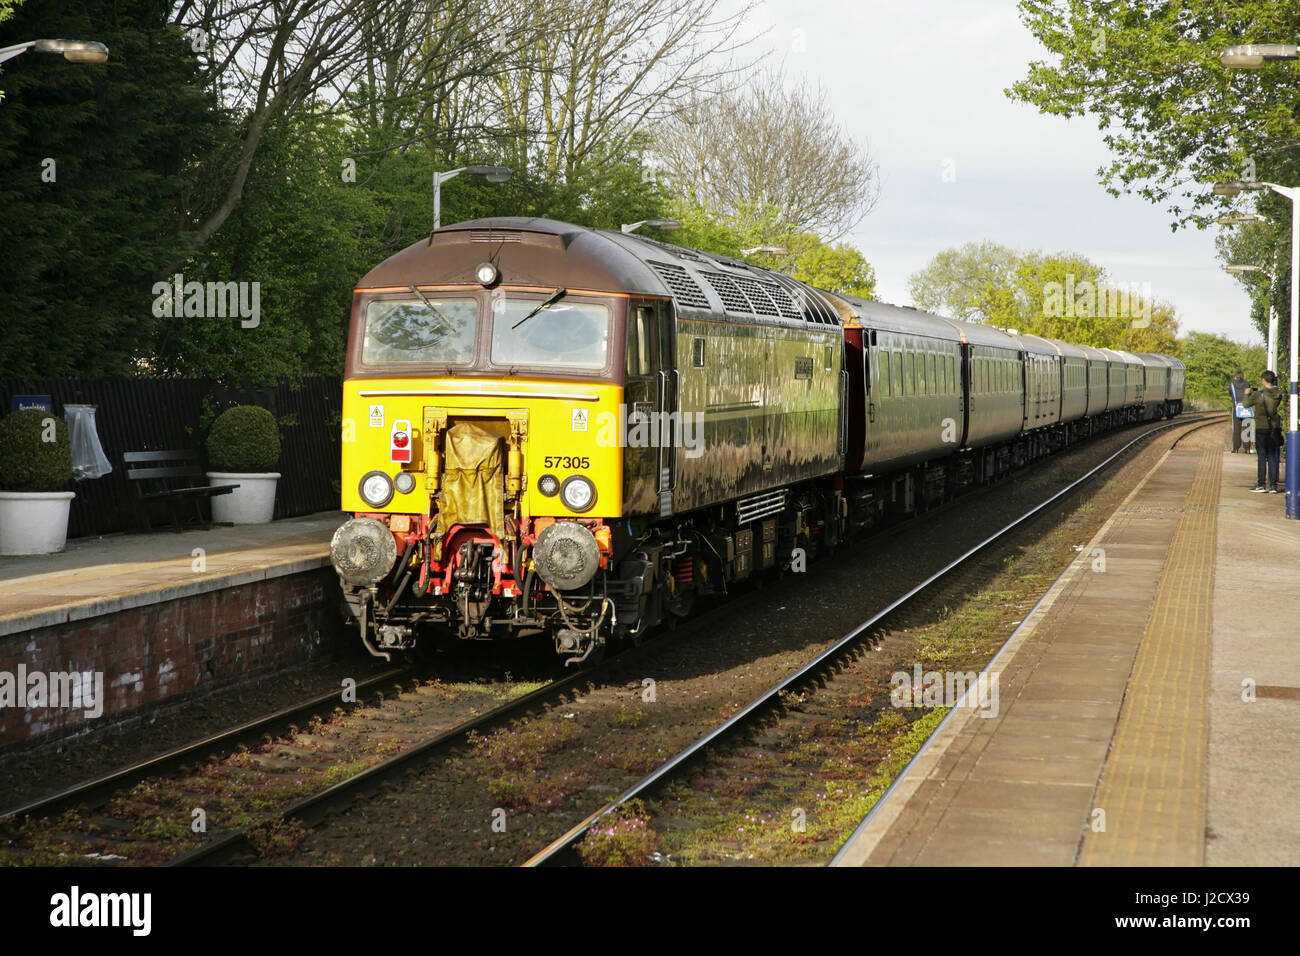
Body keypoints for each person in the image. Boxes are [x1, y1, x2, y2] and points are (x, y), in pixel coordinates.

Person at [1244, 370, 1283, 493]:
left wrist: (1247, 393)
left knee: (1262, 456)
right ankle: (1273, 486)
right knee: (1271, 456)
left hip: (1261, 428)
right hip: (1273, 428)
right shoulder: (1278, 394)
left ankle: (1261, 484)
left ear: (1263, 380)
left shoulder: (1258, 395)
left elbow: (1245, 404)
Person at [1229, 370, 1251, 453]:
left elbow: (1230, 393)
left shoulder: (1232, 384)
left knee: (1236, 428)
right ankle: (1247, 448)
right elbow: (1249, 393)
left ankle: (1236, 448)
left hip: (1236, 407)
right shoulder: (1247, 383)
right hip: (1245, 407)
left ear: (1235, 376)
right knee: (1246, 428)